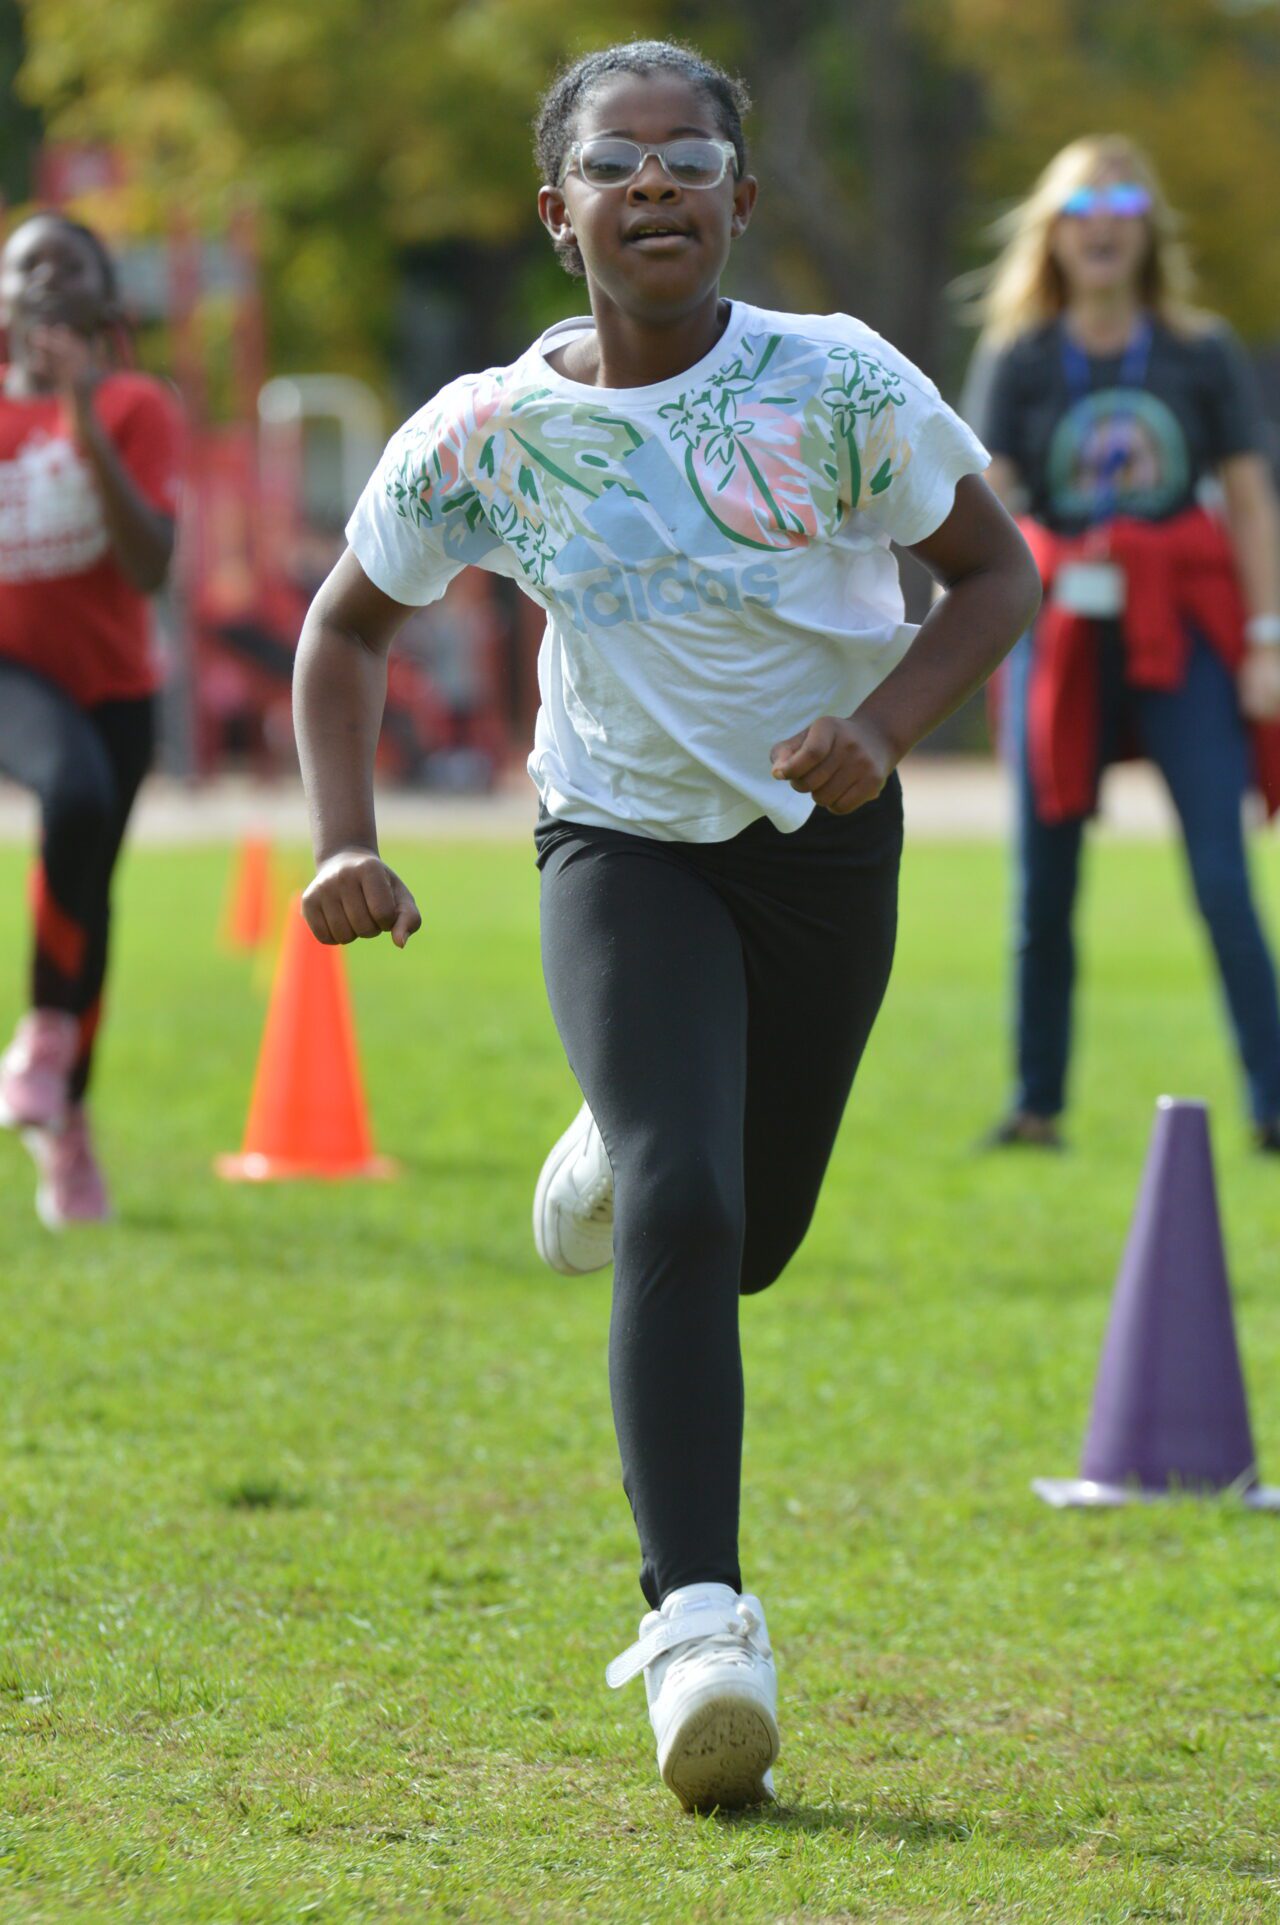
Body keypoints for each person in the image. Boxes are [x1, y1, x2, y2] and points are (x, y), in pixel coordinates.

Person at [294, 40, 1039, 1812]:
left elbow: (996, 572)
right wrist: (344, 840)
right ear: (557, 214)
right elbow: (343, 633)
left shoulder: (841, 385)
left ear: (739, 205)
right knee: (690, 1200)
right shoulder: (486, 433)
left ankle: (620, 1146)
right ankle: (699, 1626)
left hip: (823, 844)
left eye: (689, 158)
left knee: (746, 1230)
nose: (653, 185)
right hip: (618, 844)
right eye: (613, 164)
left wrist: (883, 730)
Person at [965, 136, 1280, 1151]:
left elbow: (1244, 498)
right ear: (1052, 229)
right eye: (1080, 201)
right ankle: (1033, 1103)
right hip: (1057, 635)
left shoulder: (1197, 350)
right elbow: (985, 502)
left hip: (1178, 629)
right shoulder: (1016, 355)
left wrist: (1267, 640)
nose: (1101, 219)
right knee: (1040, 884)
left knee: (1222, 875)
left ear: (1145, 227)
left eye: (1120, 199)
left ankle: (1272, 1100)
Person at [0, 214, 181, 1225]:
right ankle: (40, 1043)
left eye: (68, 266)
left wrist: (78, 408)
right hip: (10, 670)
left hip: (113, 688)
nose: (44, 281)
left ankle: (62, 1122)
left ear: (99, 295)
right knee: (70, 791)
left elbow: (150, 564)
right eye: (25, 265)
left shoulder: (133, 405)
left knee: (88, 895)